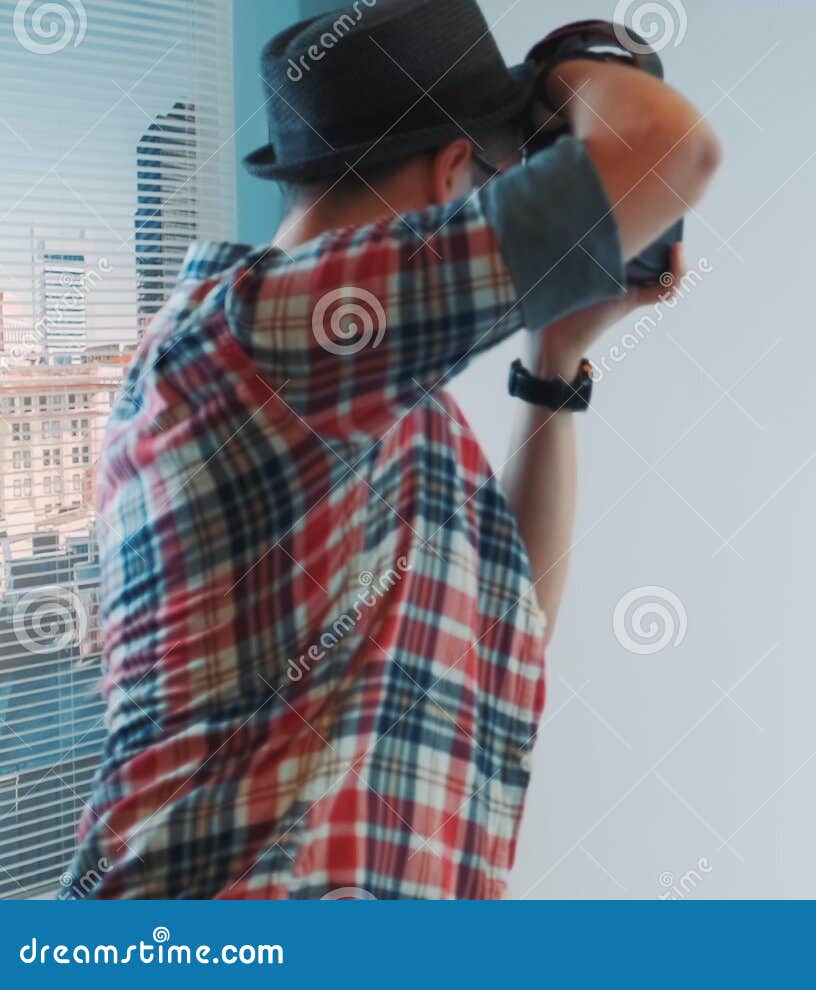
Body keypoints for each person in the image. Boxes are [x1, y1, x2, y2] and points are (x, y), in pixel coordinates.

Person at [63, 0, 720, 898]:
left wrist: (554, 359)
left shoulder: (387, 402)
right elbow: (672, 147)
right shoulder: (257, 340)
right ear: (458, 172)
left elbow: (507, 624)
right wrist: (564, 72)